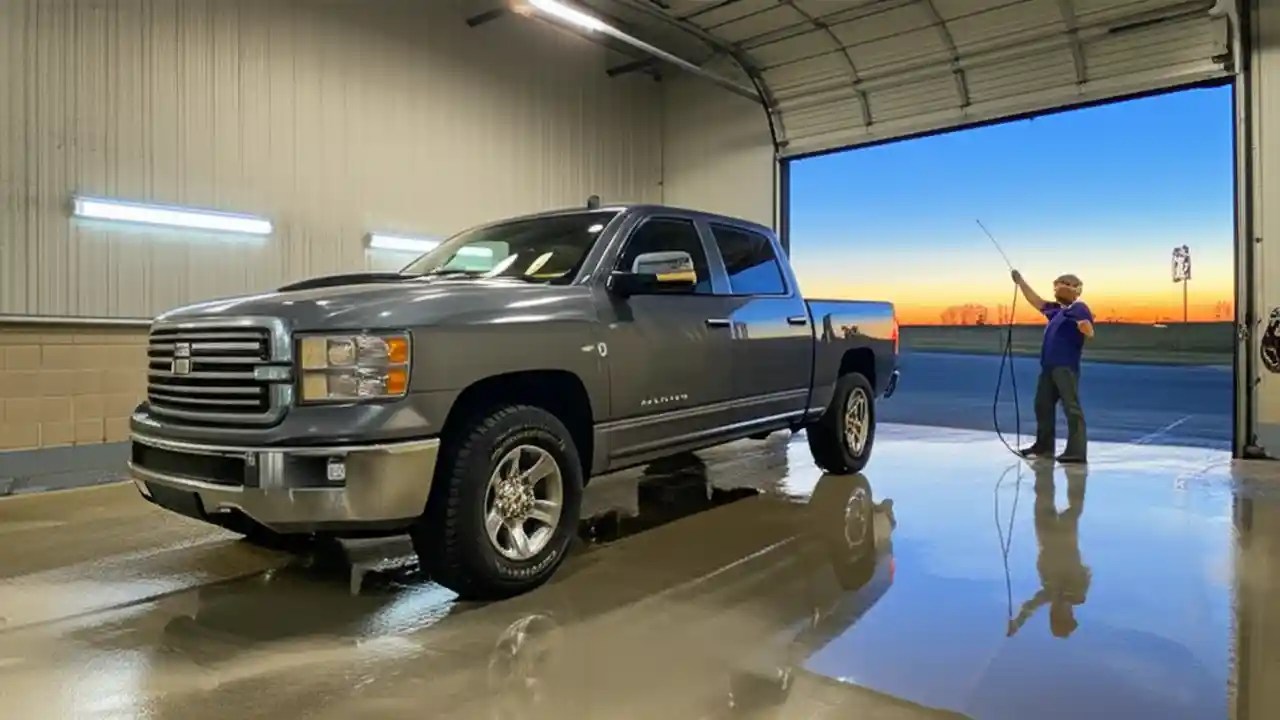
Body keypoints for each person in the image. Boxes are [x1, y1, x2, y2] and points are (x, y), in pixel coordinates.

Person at [1011, 271, 1095, 463]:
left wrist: (1086, 328)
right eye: (1059, 283)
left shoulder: (1079, 307)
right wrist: (1020, 281)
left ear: (1076, 290)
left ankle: (1076, 452)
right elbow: (1037, 301)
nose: (1061, 286)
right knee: (1042, 405)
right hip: (1048, 368)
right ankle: (1044, 447)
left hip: (1065, 367)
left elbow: (1087, 326)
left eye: (1067, 284)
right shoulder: (1056, 312)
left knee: (1071, 408)